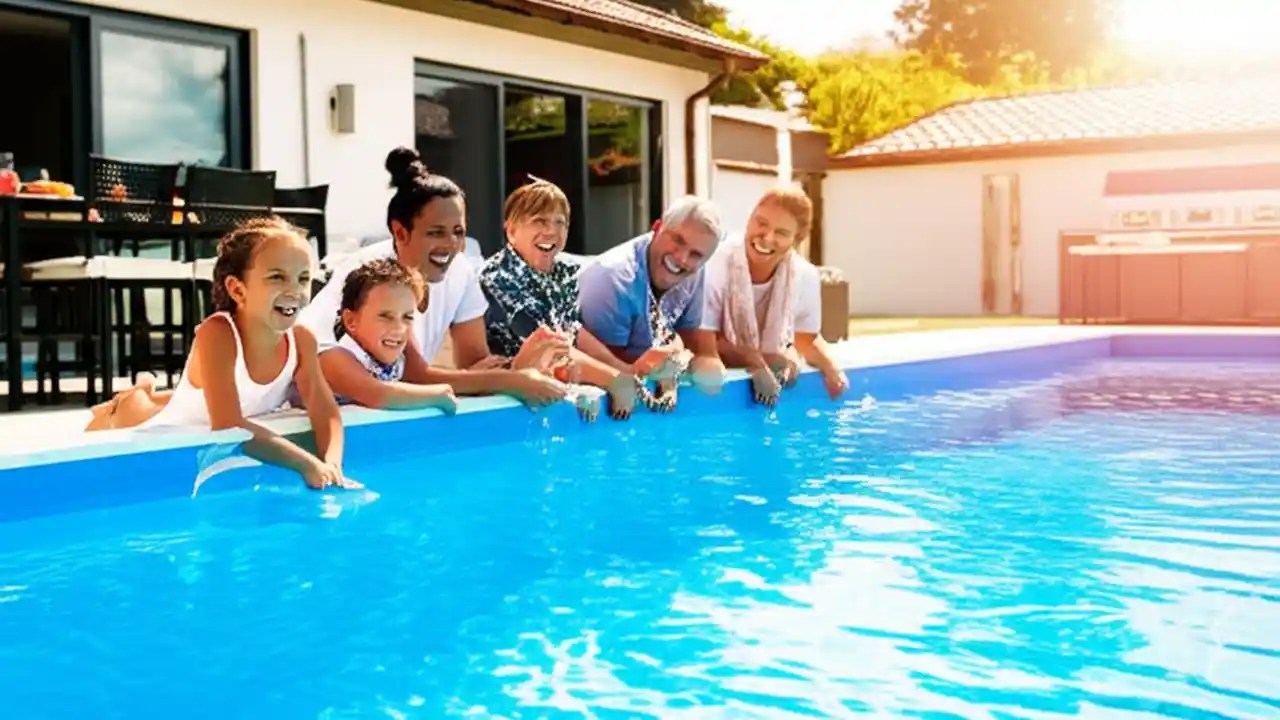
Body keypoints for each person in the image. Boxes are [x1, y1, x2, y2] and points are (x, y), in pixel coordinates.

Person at [90, 217, 358, 491]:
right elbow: (228, 426)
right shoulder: (217, 334)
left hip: (208, 412)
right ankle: (132, 398)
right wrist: (306, 463)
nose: (294, 290)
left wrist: (332, 462)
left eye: (303, 278)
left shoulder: (302, 340)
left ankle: (148, 391)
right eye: (277, 277)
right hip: (164, 429)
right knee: (137, 410)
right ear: (237, 289)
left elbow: (325, 410)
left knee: (177, 399)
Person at [298, 147, 568, 410]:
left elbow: (474, 364)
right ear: (400, 233)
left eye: (458, 232)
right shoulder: (374, 275)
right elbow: (414, 375)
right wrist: (514, 379)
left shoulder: (460, 270)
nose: (451, 244)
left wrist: (517, 367)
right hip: (313, 393)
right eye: (436, 233)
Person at [479, 179, 638, 420]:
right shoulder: (497, 277)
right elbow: (547, 345)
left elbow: (573, 332)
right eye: (539, 221)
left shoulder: (563, 269)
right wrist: (614, 379)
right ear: (511, 231)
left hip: (556, 379)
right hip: (507, 398)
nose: (551, 231)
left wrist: (625, 371)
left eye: (559, 223)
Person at [701, 185, 848, 405]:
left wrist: (830, 367)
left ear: (795, 241)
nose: (767, 238)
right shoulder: (714, 263)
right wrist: (757, 362)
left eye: (782, 233)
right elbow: (701, 341)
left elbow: (805, 340)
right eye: (761, 223)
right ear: (749, 219)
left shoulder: (804, 275)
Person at [577, 195, 726, 410]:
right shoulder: (613, 277)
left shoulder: (696, 274)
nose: (682, 258)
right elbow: (610, 366)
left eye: (696, 254)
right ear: (656, 228)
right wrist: (667, 367)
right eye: (677, 240)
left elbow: (689, 341)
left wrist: (675, 359)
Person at [317, 258, 459, 412]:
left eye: (408, 317)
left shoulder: (394, 358)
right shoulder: (333, 357)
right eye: (385, 316)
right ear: (351, 321)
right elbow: (376, 395)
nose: (399, 329)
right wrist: (437, 394)